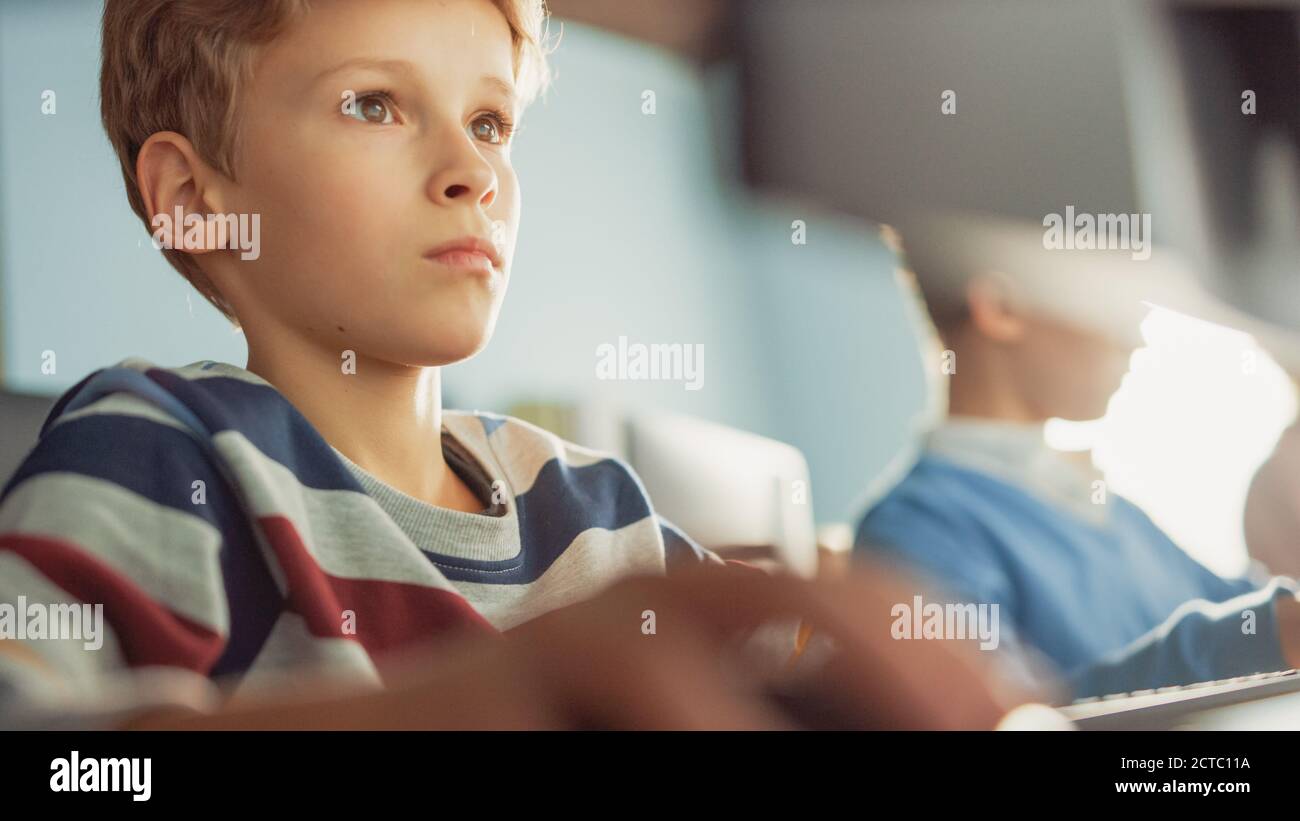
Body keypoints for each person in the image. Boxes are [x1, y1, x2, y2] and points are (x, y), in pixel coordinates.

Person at [0, 0, 1026, 730]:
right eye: (375, 104)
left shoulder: (597, 508)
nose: (473, 171)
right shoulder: (155, 453)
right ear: (192, 194)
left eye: (491, 121)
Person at [853, 212, 1300, 698]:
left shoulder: (1108, 509)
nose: (1137, 338)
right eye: (1109, 300)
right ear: (1002, 307)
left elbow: (1257, 612)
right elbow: (996, 716)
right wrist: (1245, 641)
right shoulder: (917, 530)